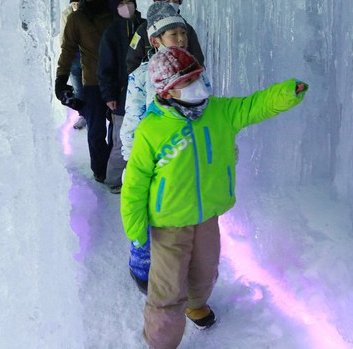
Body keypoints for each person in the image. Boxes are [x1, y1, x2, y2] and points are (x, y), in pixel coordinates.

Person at [120, 46, 308, 348]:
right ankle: (160, 341)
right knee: (167, 288)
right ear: (167, 91)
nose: (196, 86)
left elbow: (253, 106)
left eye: (197, 77)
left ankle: (196, 304)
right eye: (186, 81)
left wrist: (286, 93)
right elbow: (135, 183)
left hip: (207, 214)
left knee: (205, 271)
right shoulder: (151, 129)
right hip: (169, 223)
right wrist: (135, 226)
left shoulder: (219, 112)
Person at [118, 1, 213, 293]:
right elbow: (132, 119)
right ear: (155, 40)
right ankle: (142, 269)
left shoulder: (198, 73)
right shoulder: (141, 76)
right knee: (147, 219)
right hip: (152, 156)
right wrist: (131, 158)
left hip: (185, 155)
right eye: (173, 34)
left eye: (183, 33)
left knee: (180, 217)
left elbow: (209, 112)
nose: (182, 39)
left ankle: (182, 271)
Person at [55, 0, 113, 183]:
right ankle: (100, 169)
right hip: (93, 82)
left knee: (119, 130)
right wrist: (61, 79)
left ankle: (117, 170)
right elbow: (68, 49)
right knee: (96, 129)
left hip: (118, 82)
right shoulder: (76, 19)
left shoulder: (114, 13)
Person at [97, 0, 146, 194]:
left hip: (143, 92)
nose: (126, 6)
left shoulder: (144, 26)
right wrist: (109, 96)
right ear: (114, 8)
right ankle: (114, 180)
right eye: (120, 4)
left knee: (141, 140)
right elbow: (104, 67)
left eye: (128, 1)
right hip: (121, 96)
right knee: (120, 142)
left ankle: (135, 179)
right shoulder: (111, 33)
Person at [124, 0, 204, 77]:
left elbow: (198, 60)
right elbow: (132, 63)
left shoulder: (187, 28)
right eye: (167, 1)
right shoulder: (142, 30)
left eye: (175, 1)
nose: (171, 5)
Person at [60, 0, 86, 130]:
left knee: (89, 86)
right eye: (73, 3)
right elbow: (63, 37)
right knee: (78, 88)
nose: (75, 5)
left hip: (86, 58)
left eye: (78, 3)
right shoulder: (66, 15)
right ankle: (83, 115)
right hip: (73, 59)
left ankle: (90, 114)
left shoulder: (86, 14)